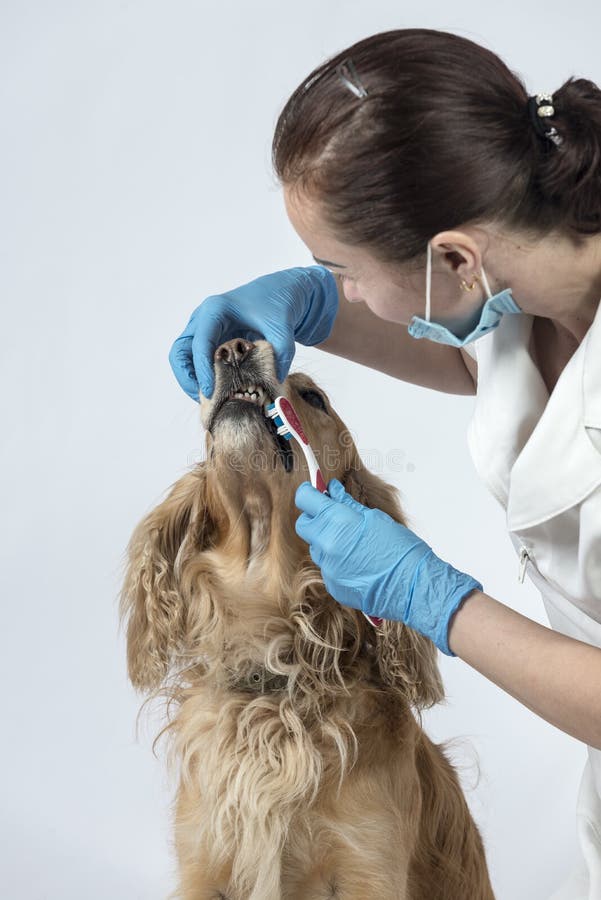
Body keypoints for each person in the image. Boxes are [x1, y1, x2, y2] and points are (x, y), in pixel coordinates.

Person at [168, 29, 601, 899]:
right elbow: (471, 355)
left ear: (452, 256)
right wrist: (313, 305)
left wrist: (438, 603)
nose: (347, 291)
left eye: (342, 269)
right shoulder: (524, 287)